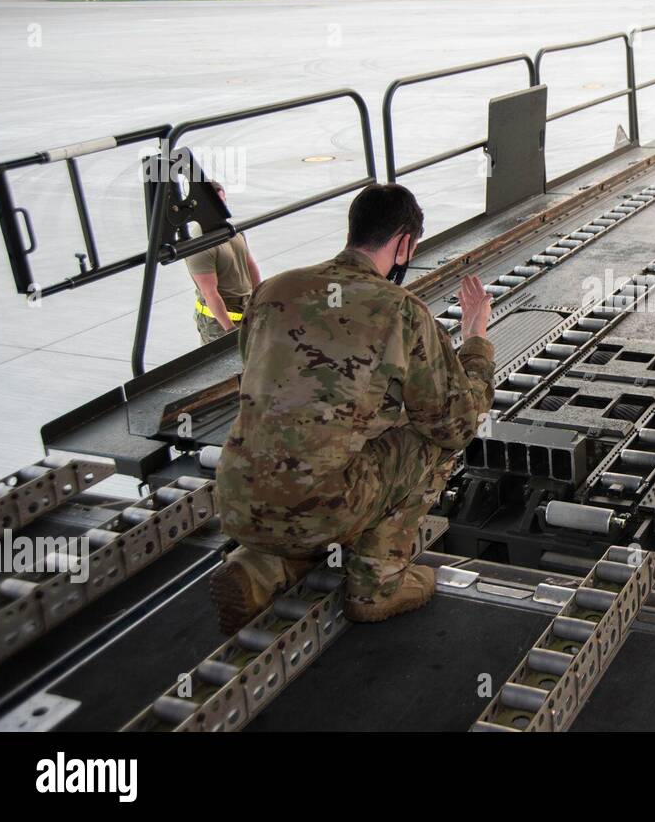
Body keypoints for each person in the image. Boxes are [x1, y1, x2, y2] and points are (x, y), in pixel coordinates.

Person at [209, 184, 495, 633]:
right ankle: (377, 586)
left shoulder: (273, 291)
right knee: (428, 441)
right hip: (323, 507)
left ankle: (262, 569)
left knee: (309, 450)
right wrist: (475, 340)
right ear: (404, 243)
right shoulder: (401, 310)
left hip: (234, 502)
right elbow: (455, 425)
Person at [185, 180, 260, 344]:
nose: (222, 209)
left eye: (223, 202)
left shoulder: (232, 231)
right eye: (216, 205)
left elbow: (250, 266)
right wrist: (230, 330)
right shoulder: (199, 245)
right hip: (219, 321)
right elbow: (209, 293)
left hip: (246, 306)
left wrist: (259, 297)